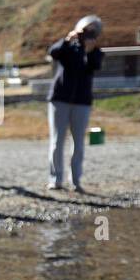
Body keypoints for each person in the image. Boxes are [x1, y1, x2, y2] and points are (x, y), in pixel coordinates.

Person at [47, 15, 104, 192]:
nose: (88, 33)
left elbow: (93, 66)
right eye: (85, 29)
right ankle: (55, 179)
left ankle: (76, 181)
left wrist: (89, 51)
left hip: (82, 102)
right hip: (60, 99)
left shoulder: (96, 52)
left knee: (78, 142)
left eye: (92, 30)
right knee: (57, 141)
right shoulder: (67, 47)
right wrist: (67, 39)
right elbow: (53, 53)